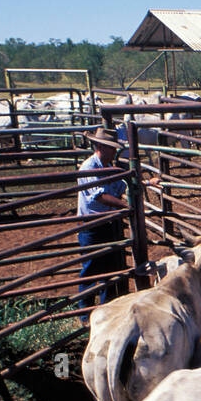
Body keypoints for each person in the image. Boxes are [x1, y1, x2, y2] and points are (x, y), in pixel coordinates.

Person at [75, 127, 131, 307]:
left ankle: (106, 307)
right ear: (99, 146)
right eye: (111, 148)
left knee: (109, 268)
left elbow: (121, 185)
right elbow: (99, 196)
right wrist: (127, 206)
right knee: (91, 268)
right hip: (92, 224)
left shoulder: (107, 167)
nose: (114, 151)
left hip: (107, 222)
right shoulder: (89, 167)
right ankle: (84, 312)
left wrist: (143, 182)